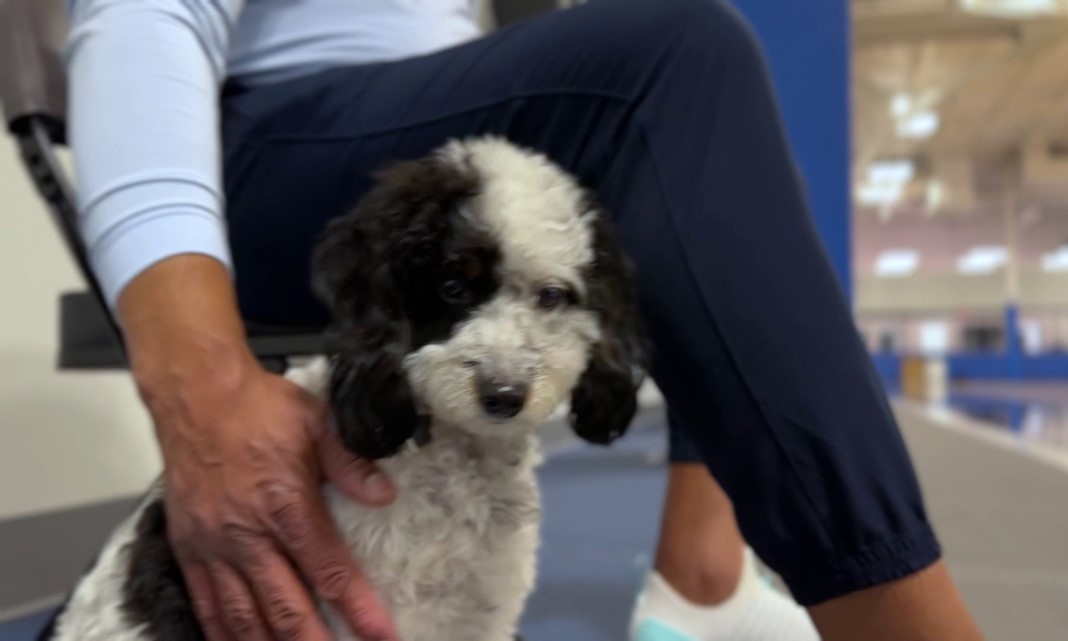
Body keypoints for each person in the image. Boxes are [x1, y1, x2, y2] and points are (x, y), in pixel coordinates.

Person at [63, 1, 984, 640]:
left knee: (719, 155)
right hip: (256, 143)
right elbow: (144, 16)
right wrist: (202, 386)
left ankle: (704, 571)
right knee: (678, 59)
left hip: (411, 106)